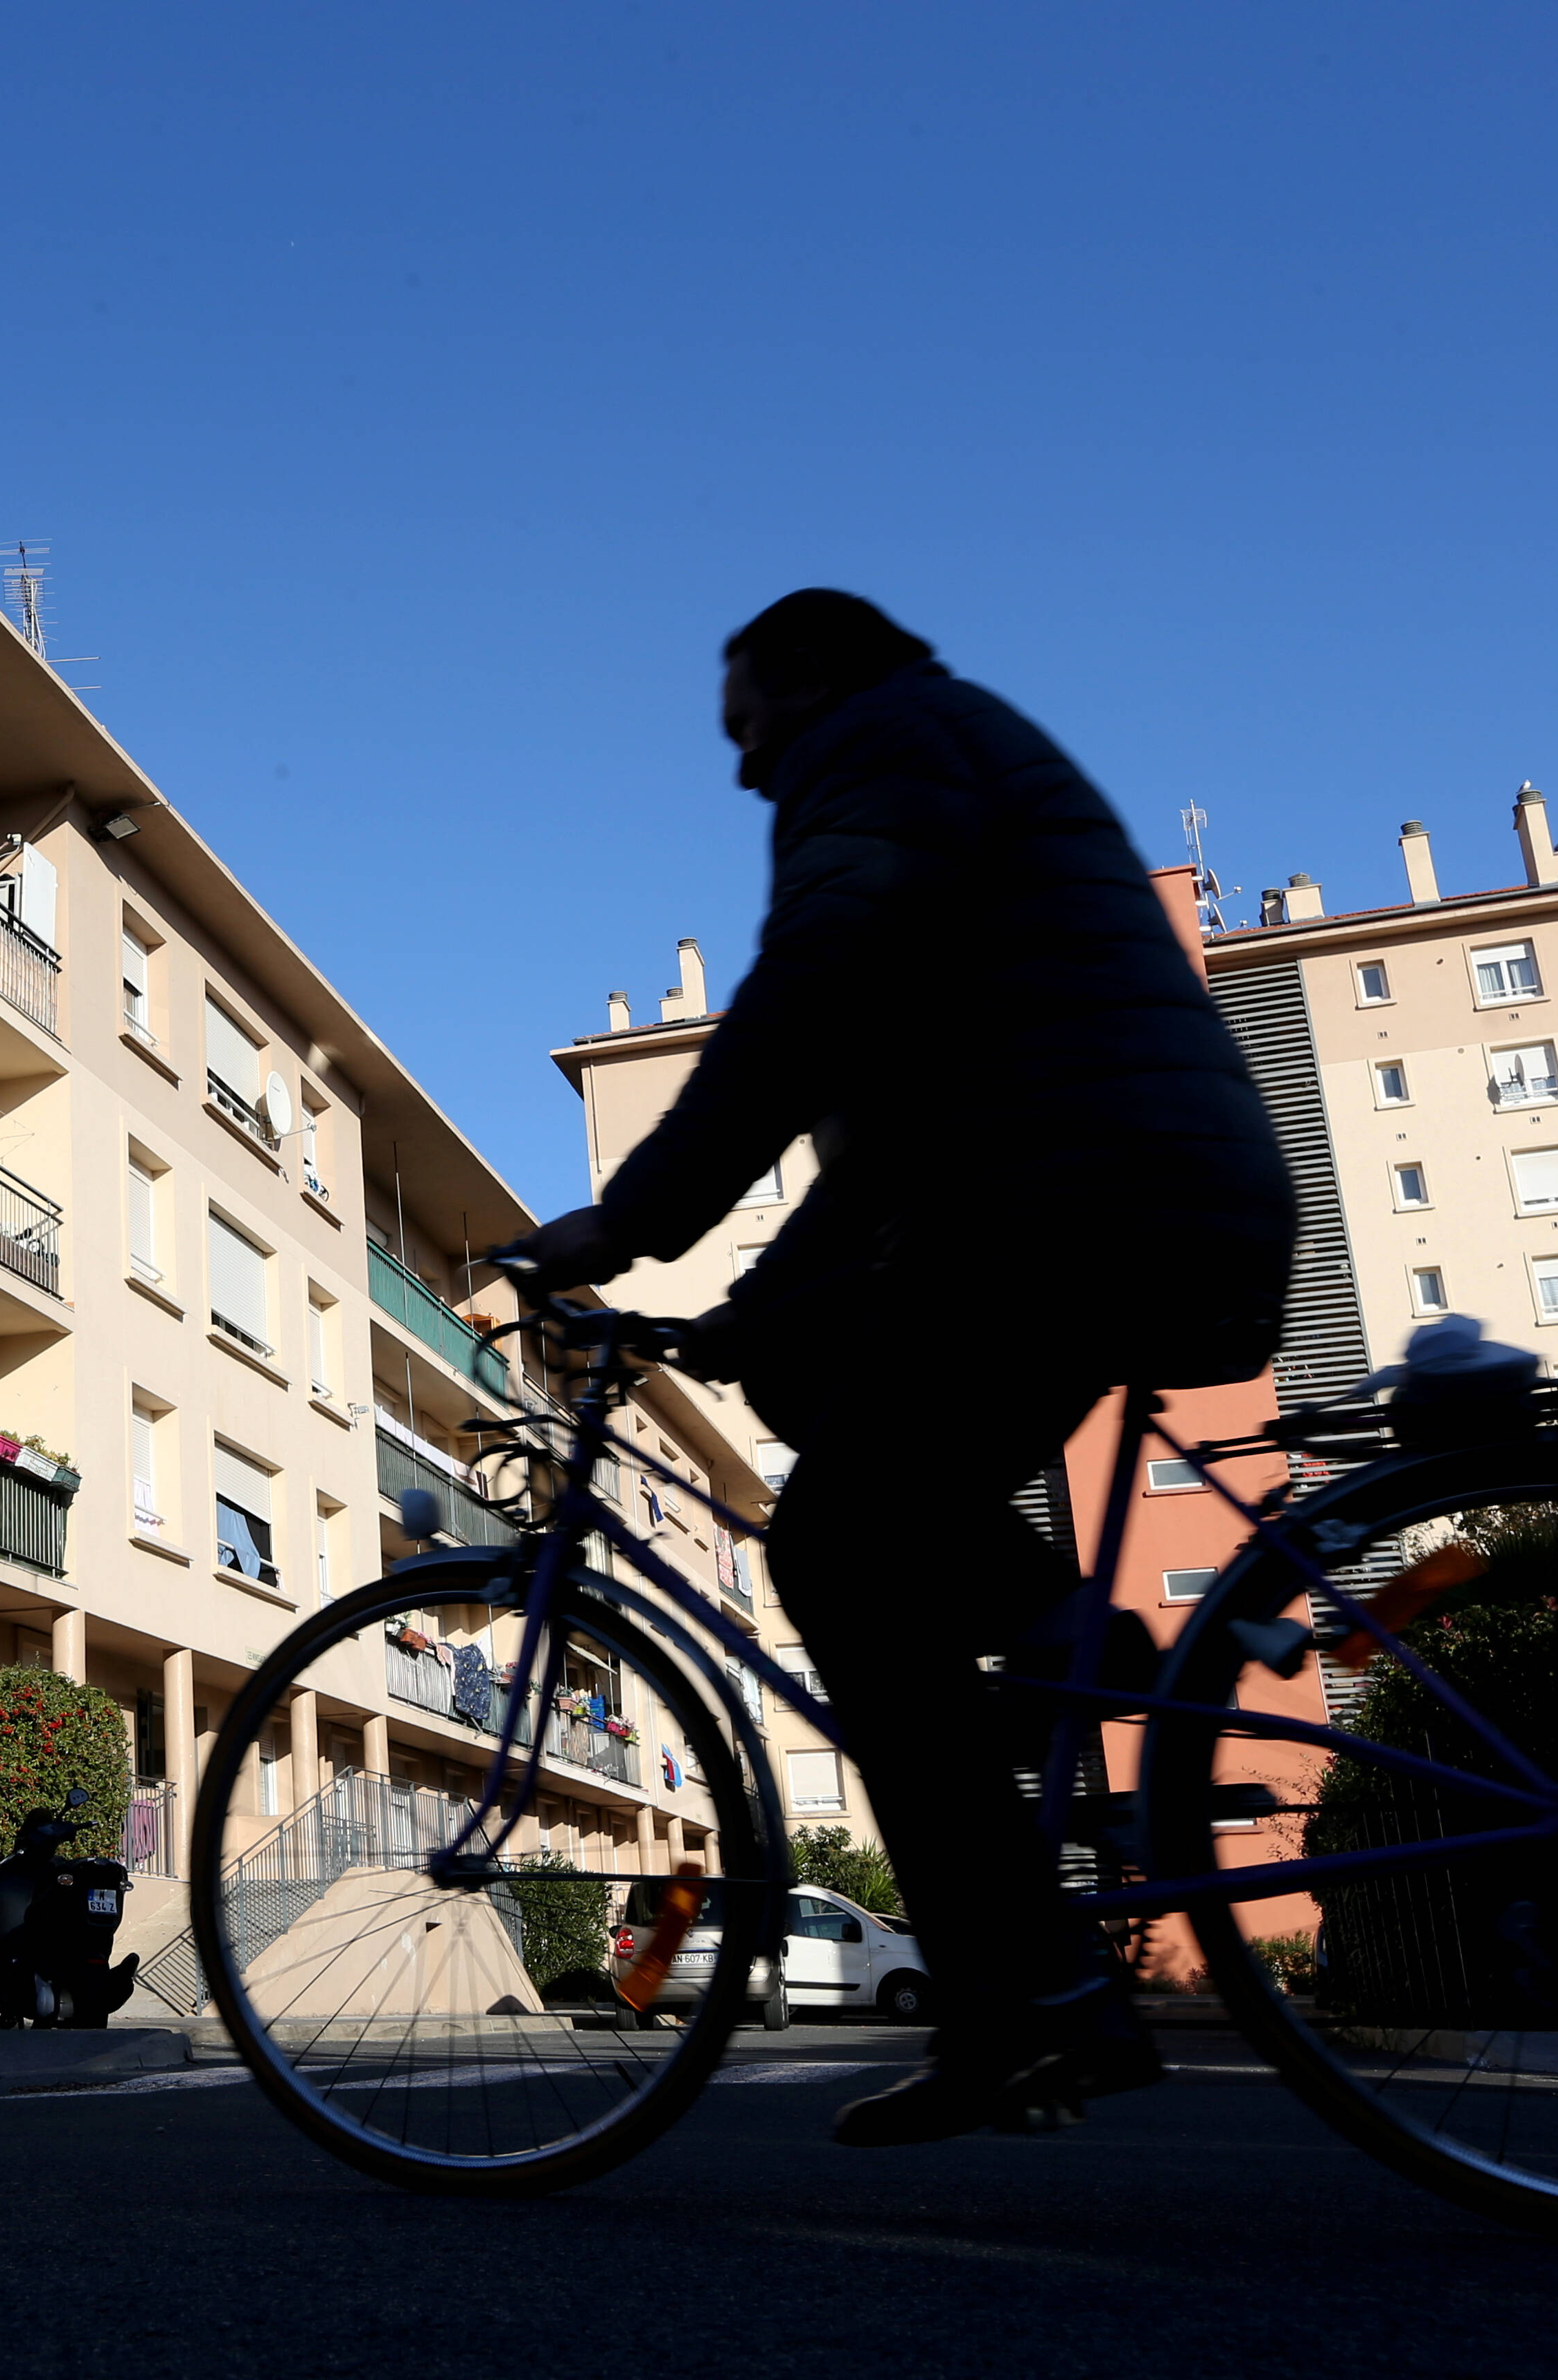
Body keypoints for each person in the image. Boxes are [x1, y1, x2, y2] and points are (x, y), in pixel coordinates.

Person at [501, 589, 1292, 2146]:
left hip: (1071, 1199)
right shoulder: (951, 760)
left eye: (747, 728)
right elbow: (888, 1151)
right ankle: (1071, 1648)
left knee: (836, 1552)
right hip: (1087, 1185)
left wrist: (631, 1222)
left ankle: (1029, 1994)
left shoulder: (883, 744)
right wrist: (737, 1323)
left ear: (812, 675)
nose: (742, 769)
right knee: (813, 1392)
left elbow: (809, 998)